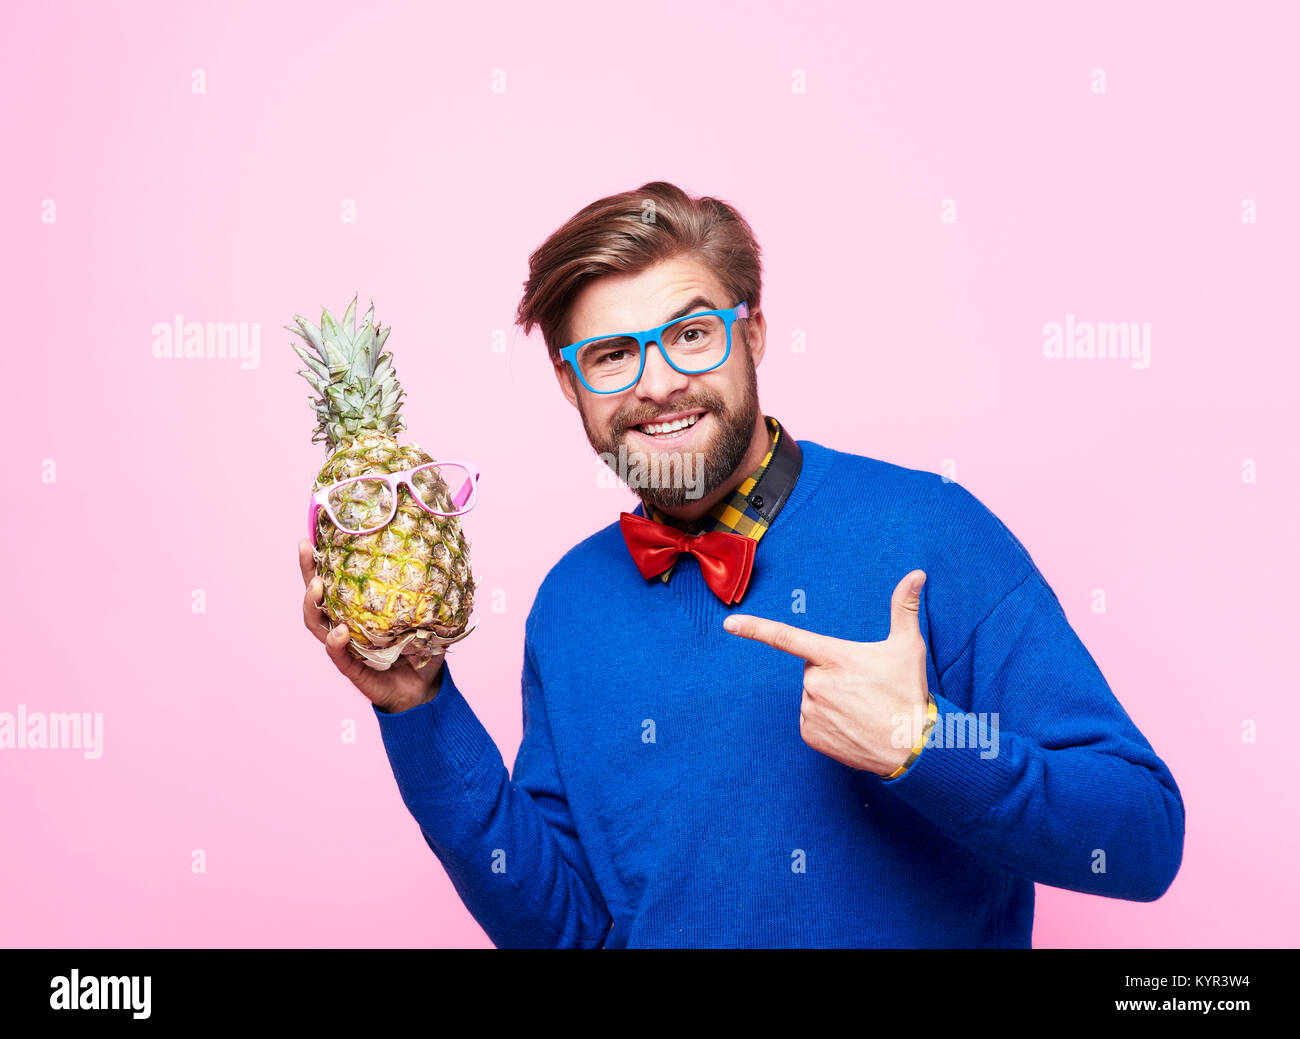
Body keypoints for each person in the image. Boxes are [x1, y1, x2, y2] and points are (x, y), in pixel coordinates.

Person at [297, 181, 1184, 948]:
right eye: (610, 355)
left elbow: (1143, 834)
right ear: (571, 385)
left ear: (752, 332)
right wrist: (418, 711)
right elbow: (564, 929)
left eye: (690, 336)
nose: (656, 383)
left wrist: (928, 740)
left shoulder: (930, 531)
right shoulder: (570, 604)